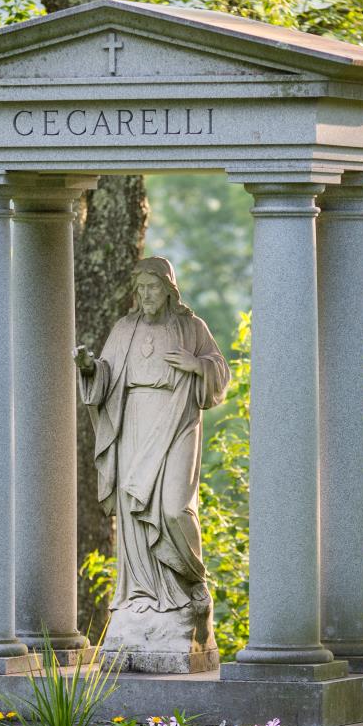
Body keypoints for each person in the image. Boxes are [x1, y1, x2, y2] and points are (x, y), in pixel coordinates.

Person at [76, 256, 230, 670]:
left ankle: (190, 583)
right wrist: (90, 370)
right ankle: (143, 594)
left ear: (168, 290)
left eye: (153, 287)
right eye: (140, 288)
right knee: (132, 510)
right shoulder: (124, 329)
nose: (145, 295)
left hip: (177, 419)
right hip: (133, 423)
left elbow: (220, 377)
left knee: (173, 508)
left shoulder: (191, 328)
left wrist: (197, 365)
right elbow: (105, 377)